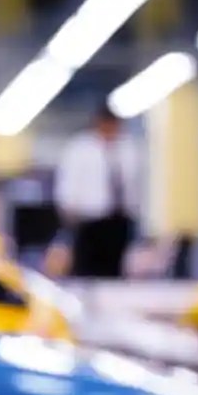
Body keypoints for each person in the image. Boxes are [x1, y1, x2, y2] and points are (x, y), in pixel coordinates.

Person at [53, 103, 143, 278]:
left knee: (114, 269)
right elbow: (68, 183)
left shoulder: (128, 148)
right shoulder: (80, 148)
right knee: (87, 269)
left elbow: (134, 184)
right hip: (90, 219)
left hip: (119, 219)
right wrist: (68, 211)